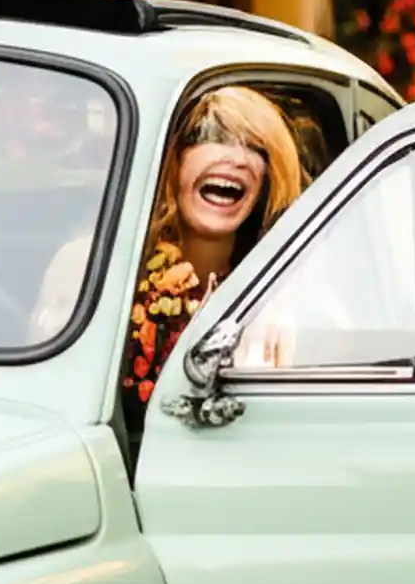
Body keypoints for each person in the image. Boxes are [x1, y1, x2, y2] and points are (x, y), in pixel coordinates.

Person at [119, 85, 308, 414]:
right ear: (172, 160)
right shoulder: (106, 267)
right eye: (209, 135)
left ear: (266, 180)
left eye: (255, 148)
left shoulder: (287, 295)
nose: (236, 158)